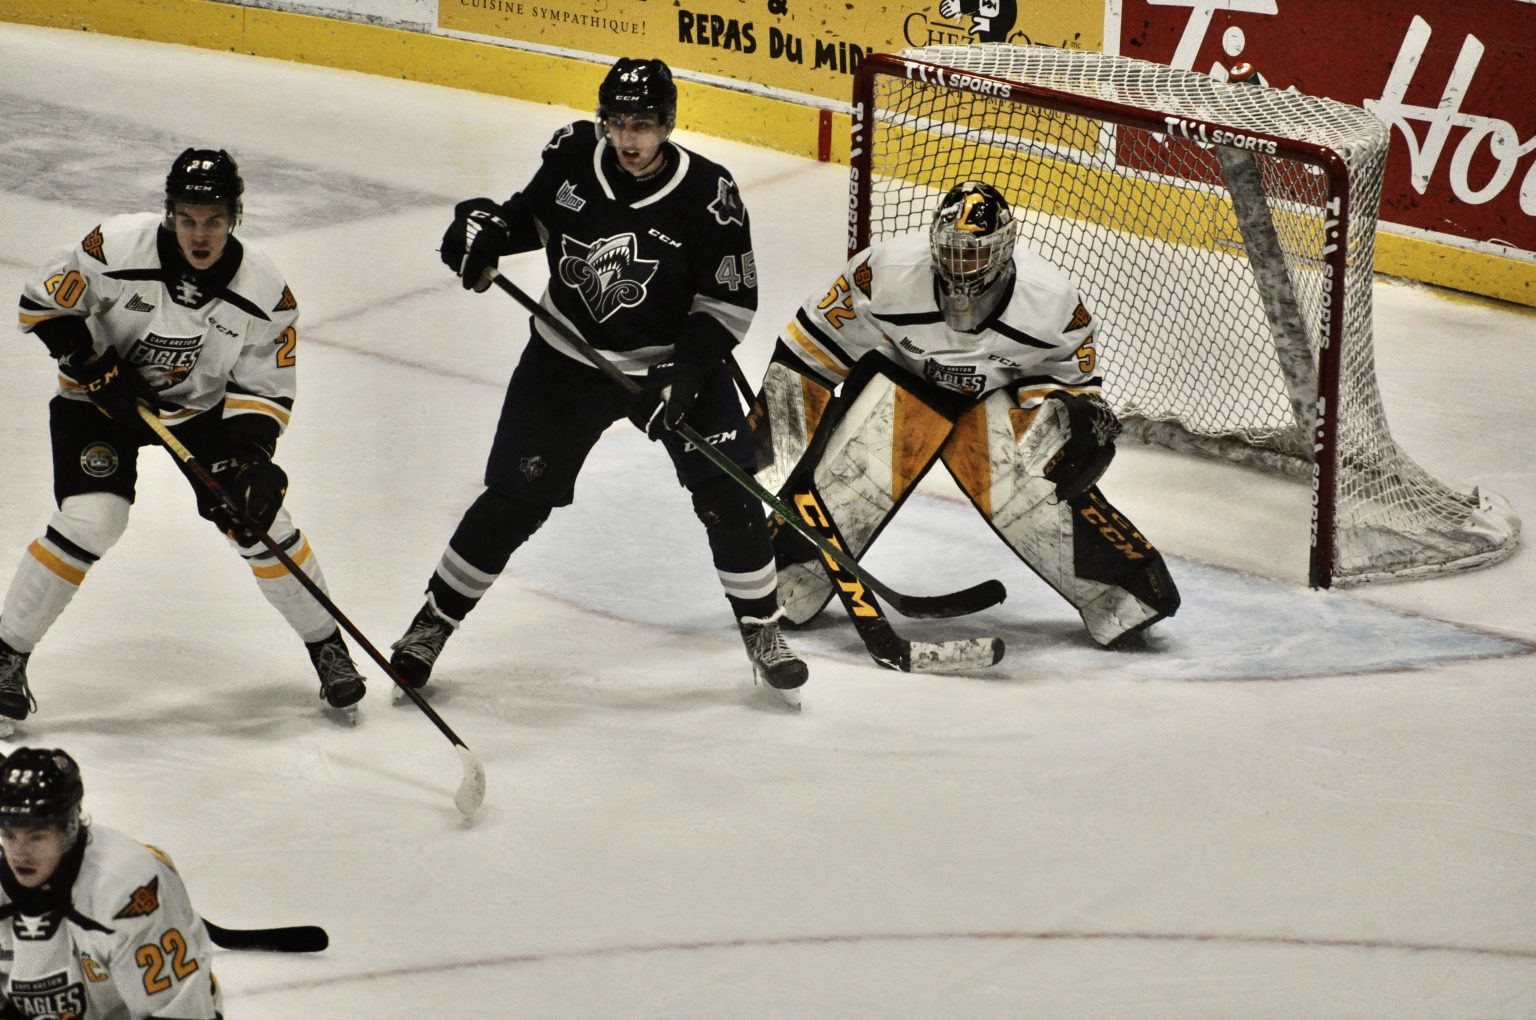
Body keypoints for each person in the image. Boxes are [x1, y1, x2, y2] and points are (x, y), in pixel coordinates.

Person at [389, 57, 808, 702]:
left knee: (730, 495)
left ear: (667, 124)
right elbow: (533, 216)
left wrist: (687, 372)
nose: (628, 140)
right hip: (566, 361)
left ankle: (762, 628)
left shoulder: (710, 197)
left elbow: (728, 303)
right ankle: (431, 624)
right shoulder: (572, 154)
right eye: (616, 123)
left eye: (642, 125)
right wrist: (486, 235)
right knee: (513, 499)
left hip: (672, 368)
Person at [0, 148, 366, 726]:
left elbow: (264, 388)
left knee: (260, 520)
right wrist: (88, 361)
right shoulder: (112, 247)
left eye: (214, 220)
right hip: (97, 403)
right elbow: (44, 304)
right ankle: (5, 654)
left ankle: (328, 647)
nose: (200, 234)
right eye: (188, 218)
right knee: (94, 519)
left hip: (201, 412)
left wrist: (248, 457)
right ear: (168, 213)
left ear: (235, 217)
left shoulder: (266, 291)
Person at [751, 181, 1180, 649]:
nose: (960, 265)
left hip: (994, 398)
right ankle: (788, 582)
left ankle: (1122, 597)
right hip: (902, 382)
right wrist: (772, 451)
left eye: (974, 254)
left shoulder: (1052, 302)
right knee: (855, 478)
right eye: (951, 251)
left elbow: (1071, 381)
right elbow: (810, 353)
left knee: (1031, 478)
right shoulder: (883, 272)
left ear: (1005, 248)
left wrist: (1071, 417)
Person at [0, 747, 223, 1019]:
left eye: (36, 837)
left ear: (69, 829)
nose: (20, 853)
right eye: (9, 835)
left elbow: (178, 1011)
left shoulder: (126, 890)